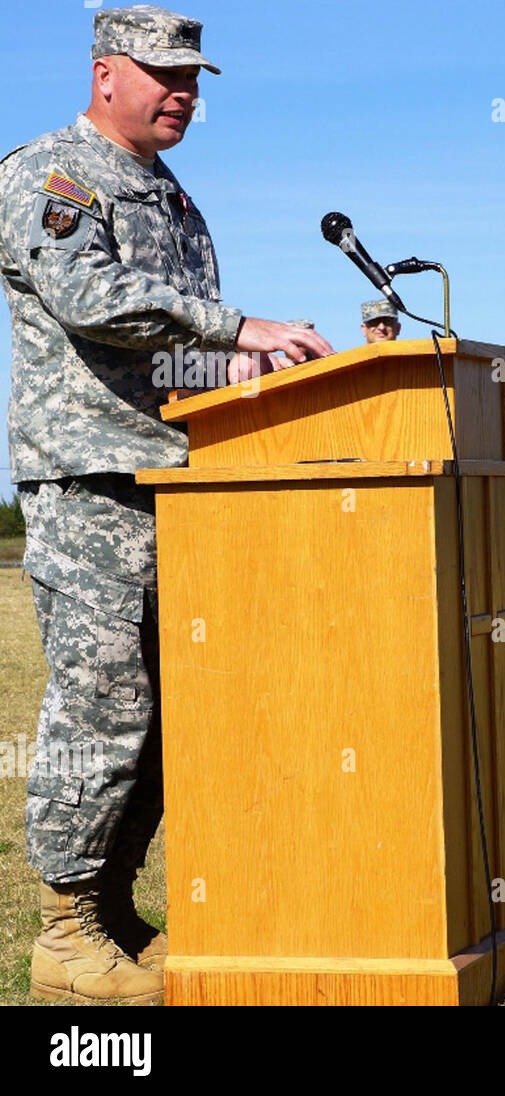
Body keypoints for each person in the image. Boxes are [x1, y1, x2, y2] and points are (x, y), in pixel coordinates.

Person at [0, 5, 333, 1004]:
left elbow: (166, 347)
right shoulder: (48, 174)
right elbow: (95, 300)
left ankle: (112, 907)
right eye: (164, 74)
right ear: (107, 74)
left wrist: (245, 362)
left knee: (171, 718)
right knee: (104, 709)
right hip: (91, 484)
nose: (184, 91)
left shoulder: (171, 195)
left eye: (194, 77)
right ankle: (63, 933)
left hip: (180, 482)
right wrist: (240, 323)